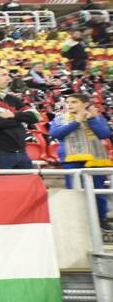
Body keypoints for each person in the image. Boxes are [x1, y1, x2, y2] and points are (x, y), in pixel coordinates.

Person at [50, 92, 112, 227]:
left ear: (85, 104)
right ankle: (78, 221)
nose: (70, 105)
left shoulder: (96, 117)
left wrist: (91, 120)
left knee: (97, 190)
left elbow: (104, 134)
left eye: (74, 102)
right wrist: (76, 122)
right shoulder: (60, 118)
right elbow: (56, 134)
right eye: (68, 102)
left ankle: (101, 220)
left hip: (95, 159)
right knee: (74, 191)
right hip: (70, 159)